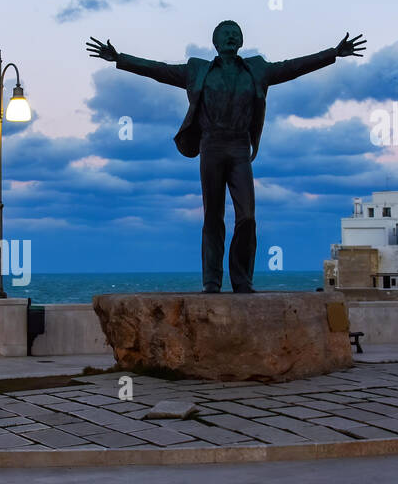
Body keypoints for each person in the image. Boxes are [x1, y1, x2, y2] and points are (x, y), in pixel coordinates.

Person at [87, 22, 364, 292]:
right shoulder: (198, 70)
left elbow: (293, 67)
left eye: (235, 34)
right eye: (225, 34)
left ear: (241, 42)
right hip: (211, 146)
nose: (231, 37)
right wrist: (119, 59)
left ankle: (242, 280)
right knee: (213, 216)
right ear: (215, 43)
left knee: (247, 217)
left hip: (240, 147)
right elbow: (159, 70)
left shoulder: (257, 70)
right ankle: (212, 281)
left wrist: (333, 53)